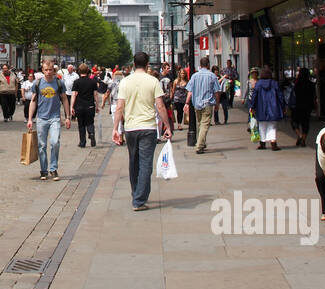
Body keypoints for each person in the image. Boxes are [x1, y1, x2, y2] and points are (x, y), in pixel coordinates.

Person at [112, 52, 172, 211]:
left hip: (131, 128)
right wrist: (167, 126)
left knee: (134, 162)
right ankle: (139, 199)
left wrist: (115, 129)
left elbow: (119, 107)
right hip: (148, 127)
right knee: (145, 163)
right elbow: (160, 106)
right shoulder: (153, 81)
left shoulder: (125, 82)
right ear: (147, 65)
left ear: (133, 64)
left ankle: (136, 193)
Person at [25, 60, 70, 179]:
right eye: (46, 70)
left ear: (53, 70)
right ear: (43, 70)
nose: (48, 72)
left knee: (55, 142)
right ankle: (44, 170)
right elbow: (33, 101)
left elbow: (65, 99)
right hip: (41, 118)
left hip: (55, 117)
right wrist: (30, 119)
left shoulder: (59, 83)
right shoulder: (38, 83)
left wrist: (67, 117)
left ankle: (53, 168)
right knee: (42, 145)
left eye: (50, 70)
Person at [185, 58, 220, 154]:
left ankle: (202, 142)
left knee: (200, 123)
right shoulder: (212, 76)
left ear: (200, 65)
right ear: (208, 65)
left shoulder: (194, 76)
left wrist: (187, 103)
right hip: (207, 103)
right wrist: (217, 104)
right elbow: (217, 92)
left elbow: (190, 91)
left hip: (197, 103)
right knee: (205, 124)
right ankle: (199, 145)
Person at [248, 66, 285, 150]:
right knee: (272, 126)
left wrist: (252, 106)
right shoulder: (274, 83)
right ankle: (273, 142)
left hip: (261, 107)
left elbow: (254, 96)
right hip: (273, 107)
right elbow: (280, 96)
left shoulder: (258, 84)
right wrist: (283, 106)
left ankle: (262, 143)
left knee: (262, 125)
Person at [70, 63, 99, 148]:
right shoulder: (93, 82)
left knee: (81, 124)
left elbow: (74, 94)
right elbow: (96, 94)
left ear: (79, 71)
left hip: (79, 106)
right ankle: (91, 132)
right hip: (90, 106)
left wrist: (72, 106)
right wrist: (97, 106)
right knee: (90, 122)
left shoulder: (76, 82)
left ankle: (82, 142)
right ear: (87, 71)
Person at [291, 68, 316, 147]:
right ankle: (303, 139)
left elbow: (293, 95)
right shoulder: (311, 84)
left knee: (294, 121)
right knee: (305, 123)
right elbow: (314, 96)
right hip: (307, 106)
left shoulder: (296, 84)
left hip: (297, 106)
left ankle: (300, 136)